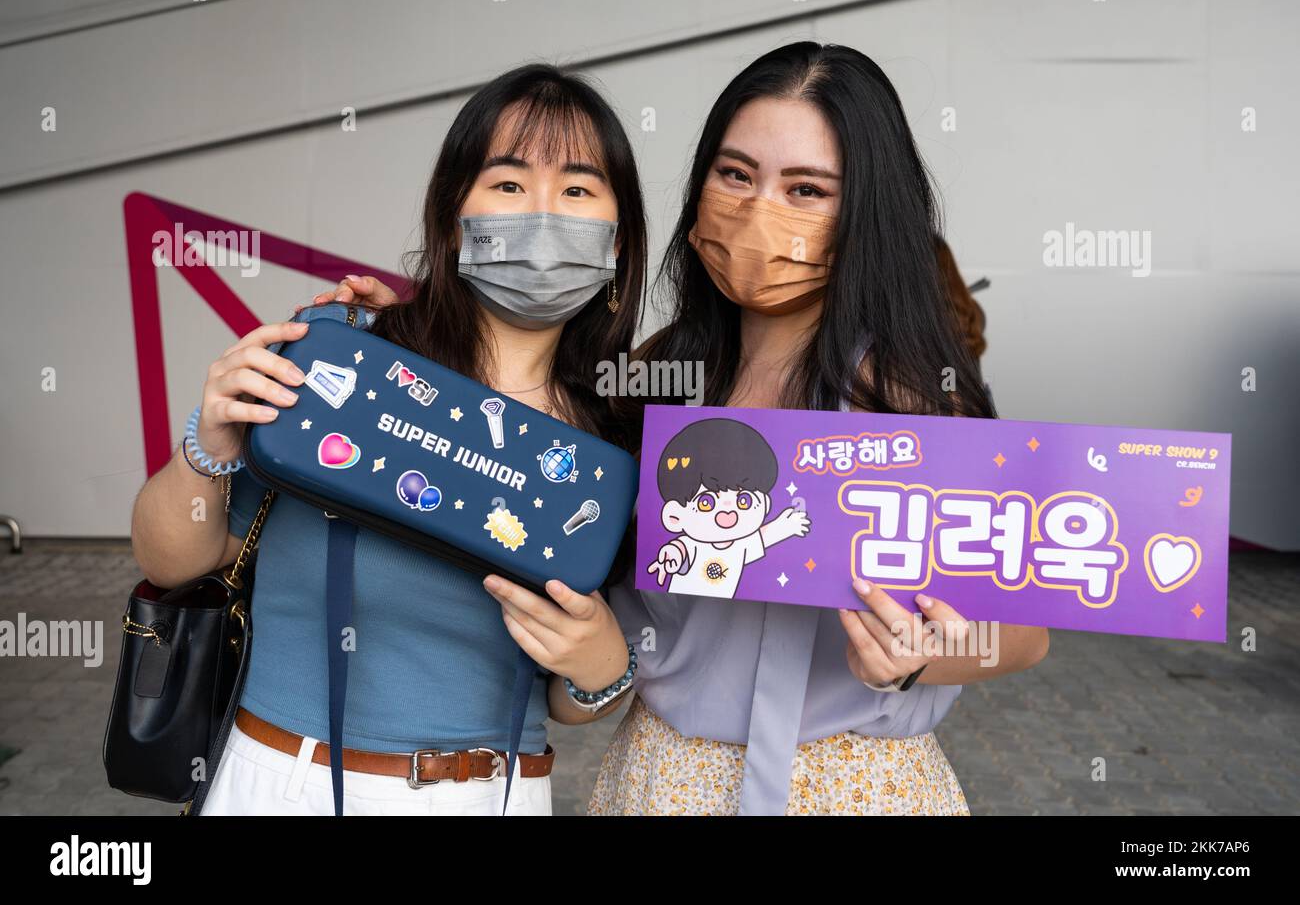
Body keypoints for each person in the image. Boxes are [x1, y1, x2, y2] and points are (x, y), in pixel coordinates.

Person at [313, 42, 1051, 817]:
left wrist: (919, 662)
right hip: (658, 779)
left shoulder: (908, 402)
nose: (760, 209)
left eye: (807, 189)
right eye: (736, 175)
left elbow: (1027, 634)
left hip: (854, 790)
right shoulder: (653, 383)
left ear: (865, 214)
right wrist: (398, 329)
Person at [129, 63, 648, 815]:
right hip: (281, 780)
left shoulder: (615, 446)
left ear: (618, 242)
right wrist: (208, 444)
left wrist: (603, 666)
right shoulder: (345, 363)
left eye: (577, 190)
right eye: (507, 185)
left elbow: (573, 702)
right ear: (452, 216)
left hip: (492, 795)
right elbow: (172, 558)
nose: (542, 217)